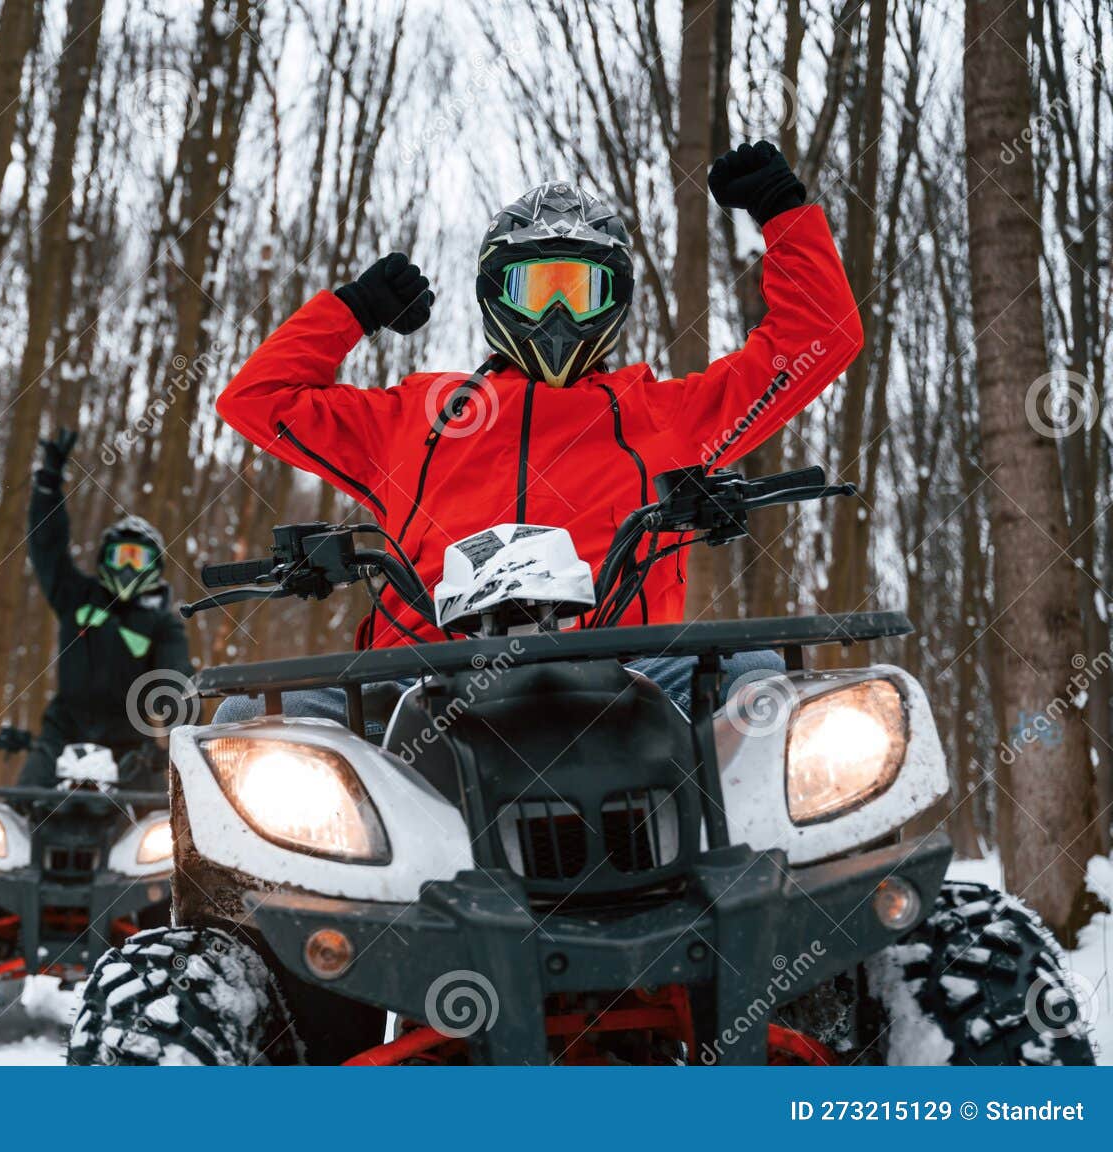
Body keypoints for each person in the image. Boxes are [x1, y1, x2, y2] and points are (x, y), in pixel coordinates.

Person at [212, 141, 862, 723]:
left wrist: (782, 213)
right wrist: (353, 309)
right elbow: (259, 401)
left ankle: (756, 856)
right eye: (533, 288)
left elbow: (819, 340)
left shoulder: (664, 413)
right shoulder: (421, 415)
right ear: (497, 297)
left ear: (616, 302)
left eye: (581, 290)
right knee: (248, 722)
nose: (556, 311)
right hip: (417, 679)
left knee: (763, 684)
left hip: (630, 674)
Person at [19, 430, 191, 786]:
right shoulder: (75, 595)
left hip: (131, 744)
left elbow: (177, 684)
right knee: (17, 815)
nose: (128, 567)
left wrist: (178, 742)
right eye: (120, 555)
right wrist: (48, 483)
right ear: (104, 559)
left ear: (155, 567)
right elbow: (47, 548)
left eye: (138, 558)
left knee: (162, 827)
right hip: (62, 732)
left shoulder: (163, 624)